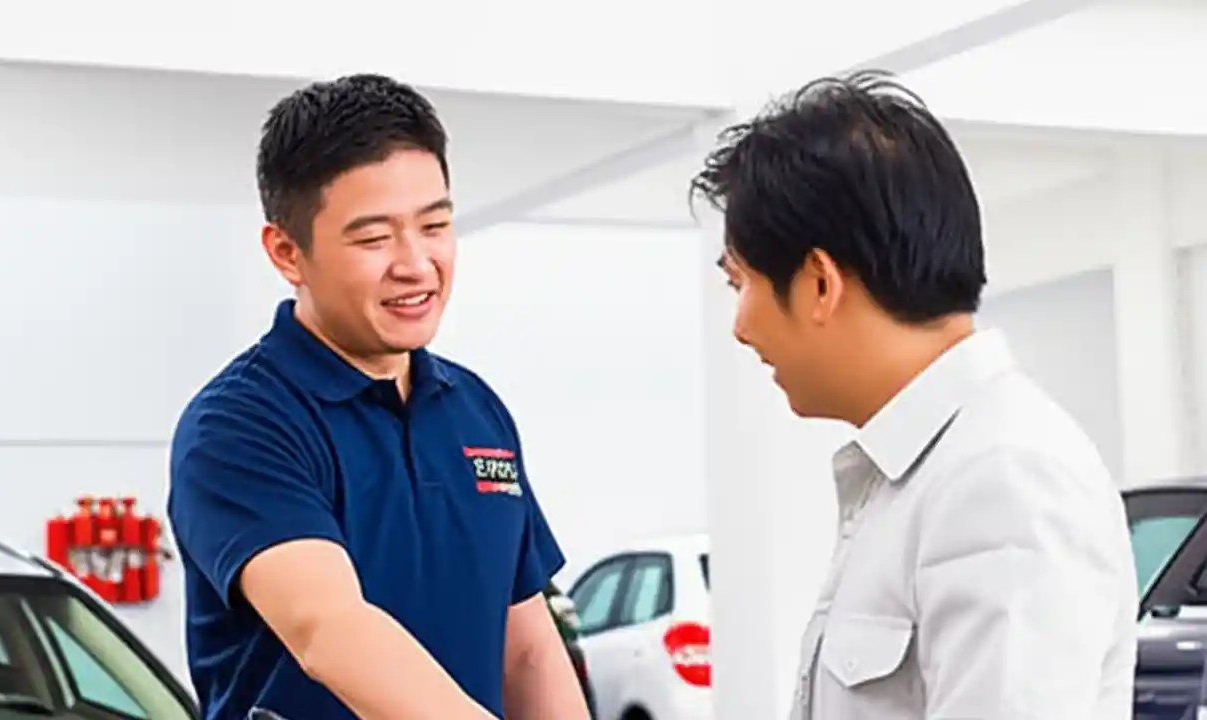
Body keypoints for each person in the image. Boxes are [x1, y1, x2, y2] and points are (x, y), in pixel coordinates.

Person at [691, 70, 1138, 720]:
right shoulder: (922, 475)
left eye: (741, 282)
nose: (740, 326)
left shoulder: (1002, 478)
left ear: (819, 283)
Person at [167, 74, 590, 720]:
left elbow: (527, 652)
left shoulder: (475, 410)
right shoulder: (238, 426)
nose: (416, 263)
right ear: (287, 252)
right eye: (373, 238)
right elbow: (330, 632)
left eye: (435, 225)